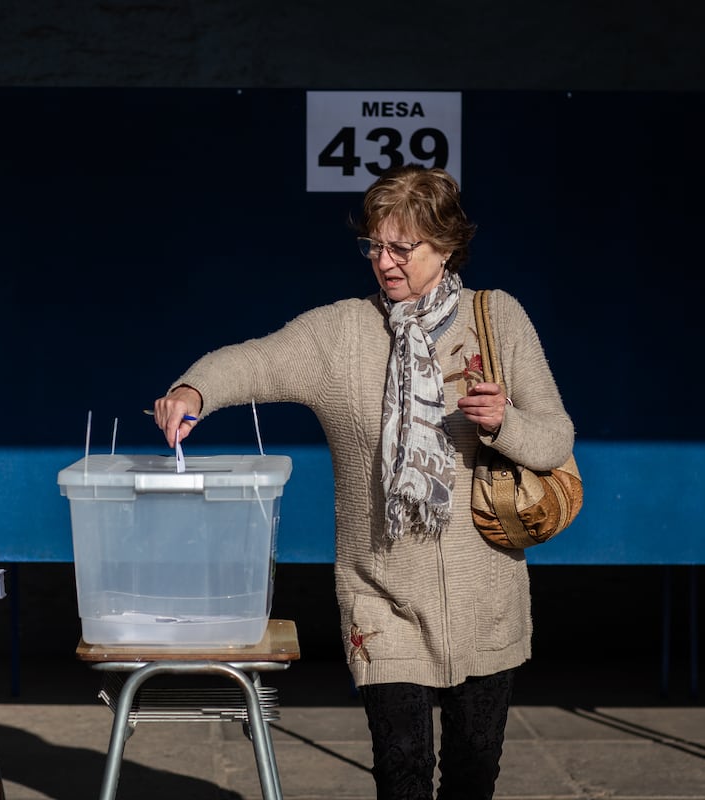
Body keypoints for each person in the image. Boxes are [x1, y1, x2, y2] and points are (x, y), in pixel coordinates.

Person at [152, 165, 575, 800]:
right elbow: (258, 360)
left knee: (472, 773)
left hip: (487, 599)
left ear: (447, 246)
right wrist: (195, 388)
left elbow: (555, 437)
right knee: (401, 771)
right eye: (374, 246)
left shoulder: (499, 319)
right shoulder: (342, 332)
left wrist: (503, 423)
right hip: (382, 597)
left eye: (403, 247)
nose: (385, 261)